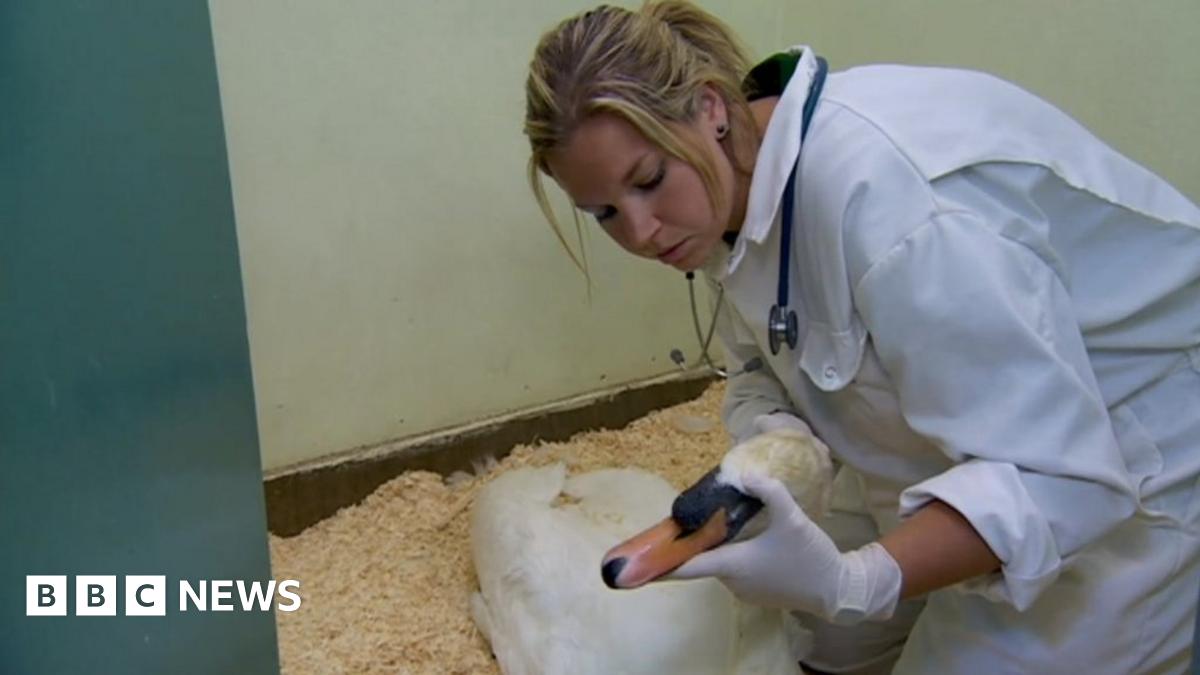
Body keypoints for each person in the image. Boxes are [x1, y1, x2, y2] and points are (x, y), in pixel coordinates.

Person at [523, 2, 1200, 673]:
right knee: (817, 642)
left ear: (709, 108)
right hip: (964, 436)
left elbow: (1062, 480)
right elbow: (764, 359)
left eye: (648, 181)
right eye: (606, 211)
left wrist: (859, 581)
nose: (640, 233)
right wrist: (776, 446)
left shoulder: (898, 210)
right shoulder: (728, 181)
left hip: (1129, 459)